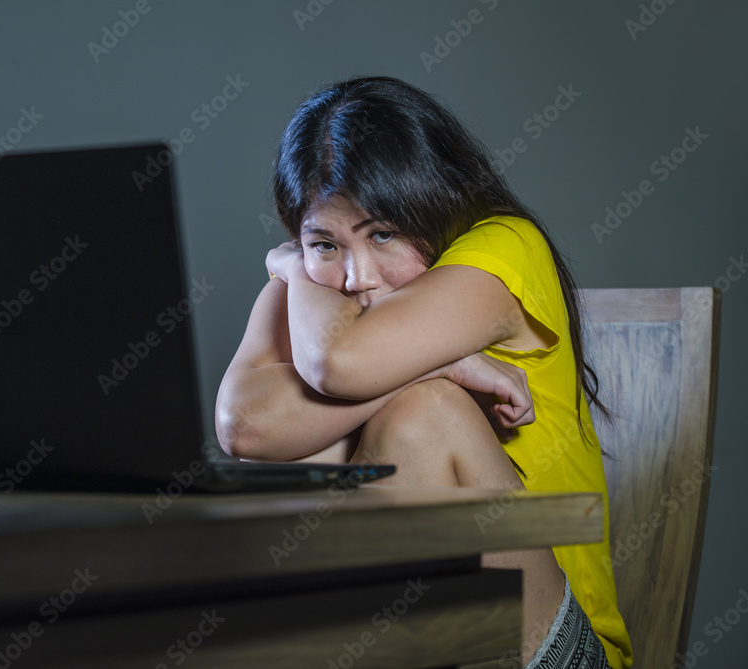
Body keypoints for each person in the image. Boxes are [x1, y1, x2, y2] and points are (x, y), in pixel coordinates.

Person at [214, 76, 632, 669]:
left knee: (425, 414)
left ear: (436, 201)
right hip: (391, 637)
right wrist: (445, 362)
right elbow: (245, 427)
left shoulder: (504, 247)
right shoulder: (315, 291)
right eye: (323, 243)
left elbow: (339, 362)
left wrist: (295, 270)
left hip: (553, 648)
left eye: (382, 233)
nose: (359, 276)